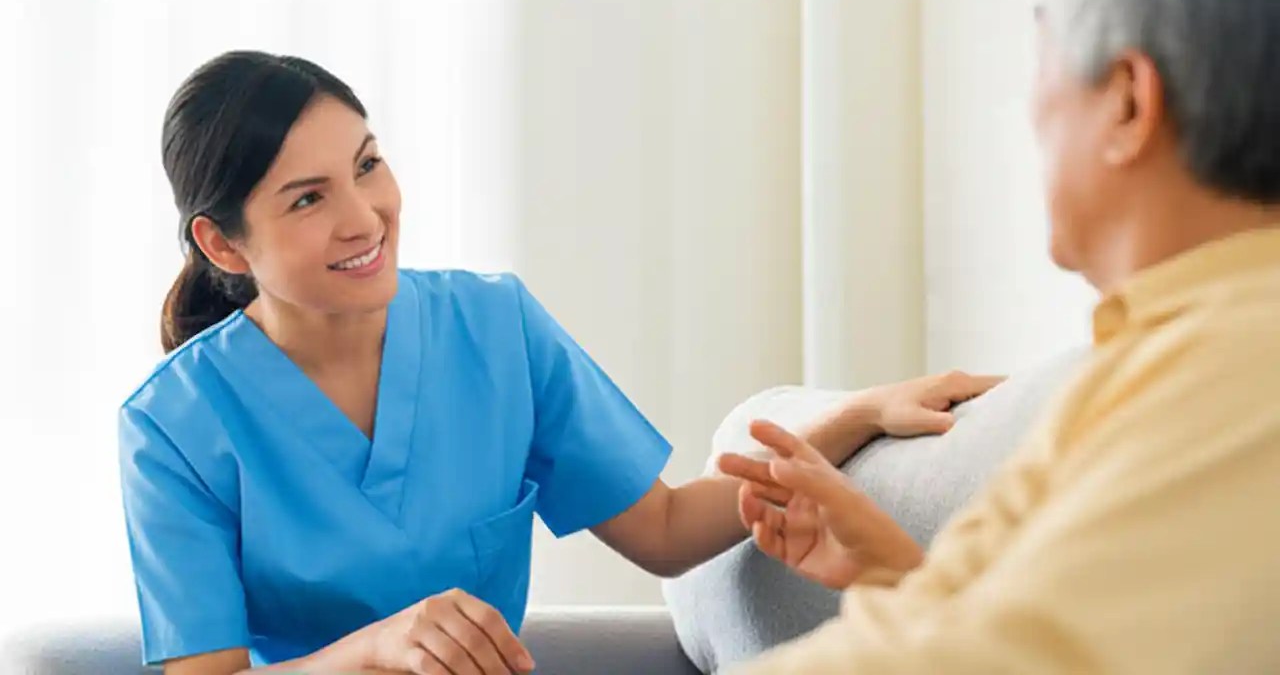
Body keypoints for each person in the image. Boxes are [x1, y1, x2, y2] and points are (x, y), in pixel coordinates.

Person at [118, 50, 1001, 675]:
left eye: (367, 165)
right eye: (308, 198)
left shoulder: (494, 326)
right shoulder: (171, 429)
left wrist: (853, 419)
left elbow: (661, 532)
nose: (366, 216)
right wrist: (373, 651)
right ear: (224, 245)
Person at [721, 0, 1280, 672]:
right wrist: (893, 573)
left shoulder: (1238, 367)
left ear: (1128, 103)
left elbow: (1009, 656)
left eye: (1040, 65)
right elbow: (1024, 628)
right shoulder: (1153, 360)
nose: (1031, 115)